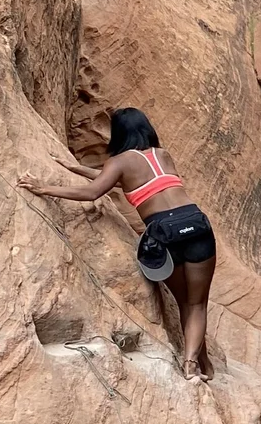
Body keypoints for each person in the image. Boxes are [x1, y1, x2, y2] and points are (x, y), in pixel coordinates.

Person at [19, 108, 218, 381]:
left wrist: (44, 188)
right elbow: (126, 180)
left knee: (184, 301)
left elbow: (97, 189)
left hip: (164, 232)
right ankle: (194, 363)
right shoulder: (163, 155)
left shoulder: (120, 162)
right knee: (196, 304)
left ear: (119, 134)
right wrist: (77, 168)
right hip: (196, 226)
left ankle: (197, 363)